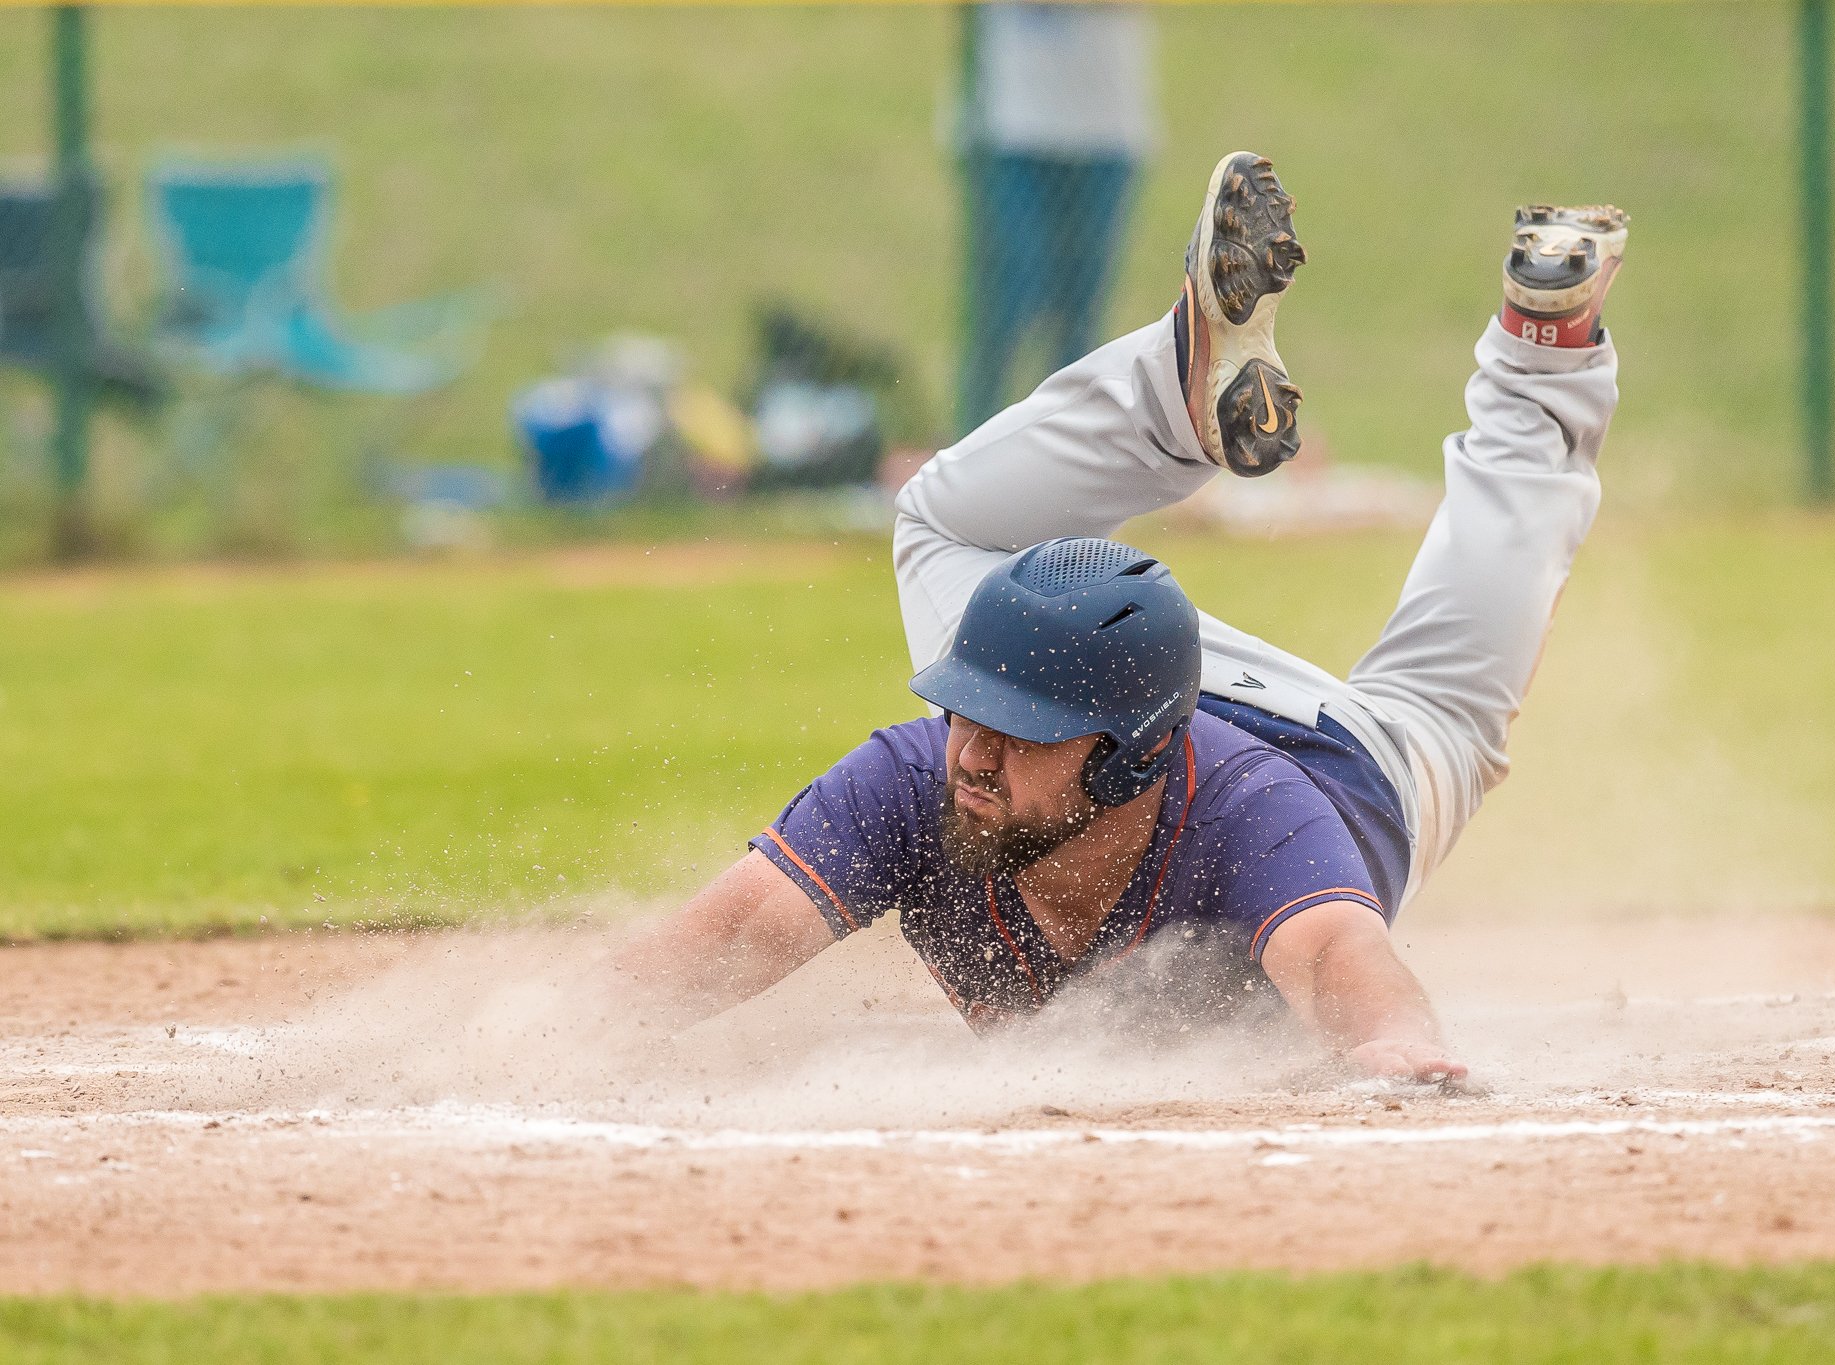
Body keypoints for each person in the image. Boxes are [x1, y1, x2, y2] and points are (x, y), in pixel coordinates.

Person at [623, 152, 1628, 1084]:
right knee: (942, 532)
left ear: (1118, 759)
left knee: (1460, 676)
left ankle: (1541, 357)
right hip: (1087, 660)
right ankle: (1180, 397)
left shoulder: (1251, 816)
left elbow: (1332, 957)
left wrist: (1398, 1045)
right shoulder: (927, 772)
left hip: (1360, 762)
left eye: (1011, 735)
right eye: (962, 713)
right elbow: (730, 936)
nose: (967, 753)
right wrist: (523, 1035)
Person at [954, 2, 1157, 433]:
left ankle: (1065, 467)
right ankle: (971, 458)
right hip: (1012, 126)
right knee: (1003, 311)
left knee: (1079, 325)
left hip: (1104, 128)